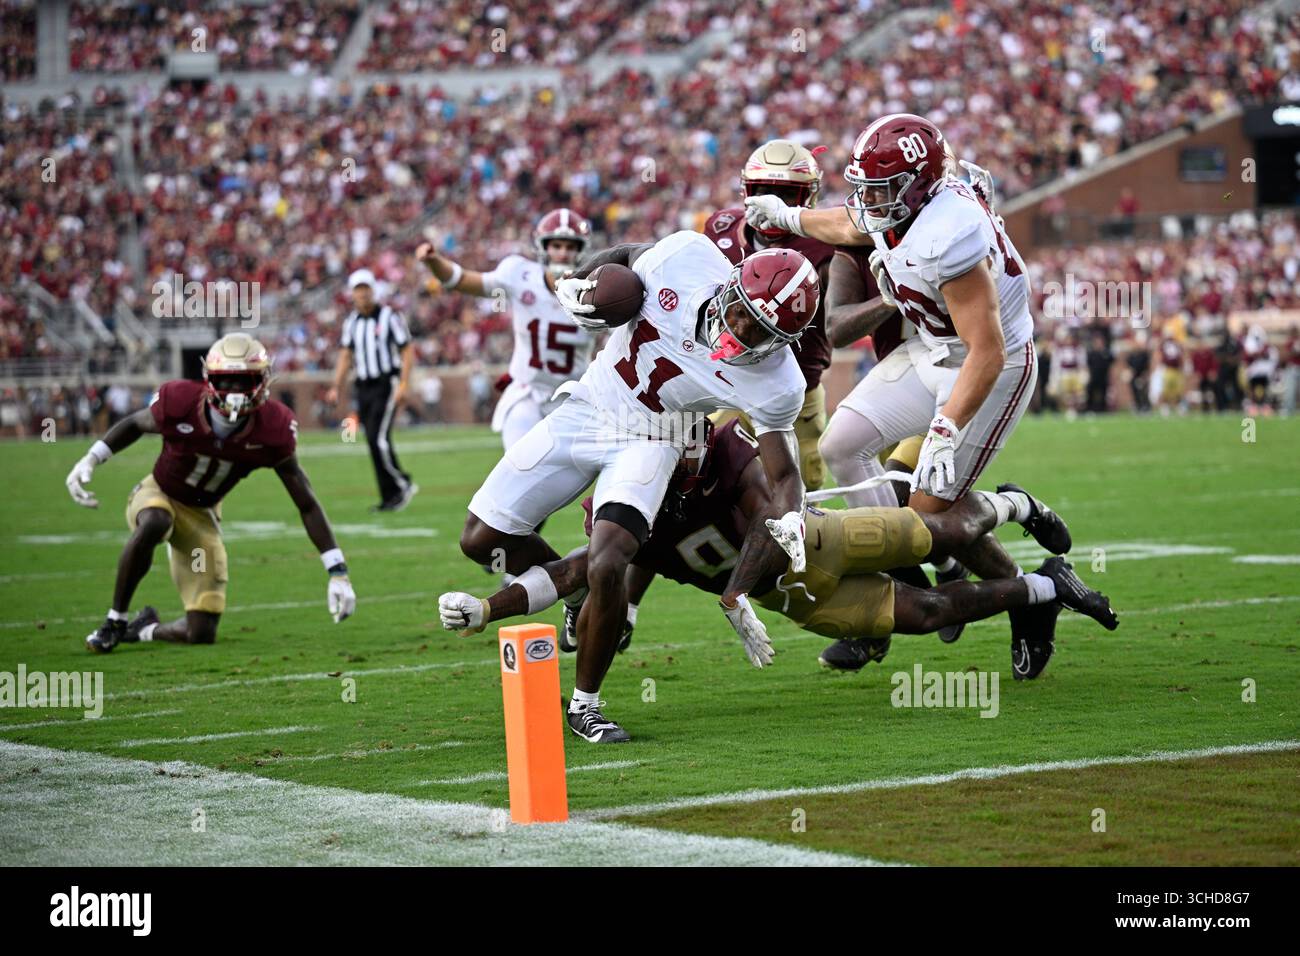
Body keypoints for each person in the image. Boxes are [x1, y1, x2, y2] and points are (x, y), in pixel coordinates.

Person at [454, 231, 819, 743]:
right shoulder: (688, 259)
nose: (737, 329)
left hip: (654, 437)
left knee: (609, 560)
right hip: (589, 405)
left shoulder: (778, 381)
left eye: (757, 332)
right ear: (730, 282)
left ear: (780, 343)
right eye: (738, 310)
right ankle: (572, 588)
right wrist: (584, 280)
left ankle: (586, 704)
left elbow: (785, 480)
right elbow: (625, 258)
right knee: (481, 539)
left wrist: (787, 526)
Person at [440, 420, 1114, 687]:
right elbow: (571, 573)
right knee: (929, 610)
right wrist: (486, 607)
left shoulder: (729, 453)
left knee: (942, 534)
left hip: (813, 539)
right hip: (788, 599)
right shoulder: (625, 508)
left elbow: (771, 519)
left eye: (691, 436)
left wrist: (733, 594)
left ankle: (1016, 504)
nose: (690, 448)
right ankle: (1050, 587)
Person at [744, 114, 1037, 514]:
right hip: (930, 349)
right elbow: (849, 225)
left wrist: (945, 427)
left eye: (879, 189)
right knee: (842, 446)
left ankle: (1014, 507)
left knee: (927, 514)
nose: (867, 199)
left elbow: (988, 350)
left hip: (987, 365)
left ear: (915, 187)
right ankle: (894, 558)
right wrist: (786, 217)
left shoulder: (949, 236)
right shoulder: (913, 204)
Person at [66, 334, 356, 652]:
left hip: (202, 516)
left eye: (245, 381)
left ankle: (145, 628)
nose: (235, 391)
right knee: (155, 522)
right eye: (227, 380)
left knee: (201, 631)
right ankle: (114, 621)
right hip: (158, 492)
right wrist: (91, 458)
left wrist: (337, 570)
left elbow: (306, 502)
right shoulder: (180, 401)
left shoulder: (273, 429)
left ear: (263, 380)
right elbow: (135, 424)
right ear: (210, 379)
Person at [415, 209, 600, 449]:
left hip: (572, 398)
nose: (563, 253)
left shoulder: (597, 288)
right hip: (527, 393)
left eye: (570, 246)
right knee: (520, 463)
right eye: (556, 245)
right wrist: (433, 261)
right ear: (543, 247)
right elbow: (462, 280)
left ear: (581, 249)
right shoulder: (519, 274)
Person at [327, 269, 417, 512]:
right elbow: (346, 355)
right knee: (372, 440)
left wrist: (404, 384)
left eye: (366, 288)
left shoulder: (389, 316)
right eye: (358, 289)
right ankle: (389, 497)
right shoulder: (352, 322)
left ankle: (402, 483)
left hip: (385, 382)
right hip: (363, 385)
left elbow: (406, 350)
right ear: (352, 294)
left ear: (373, 290)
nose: (363, 294)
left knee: (378, 438)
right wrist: (336, 386)